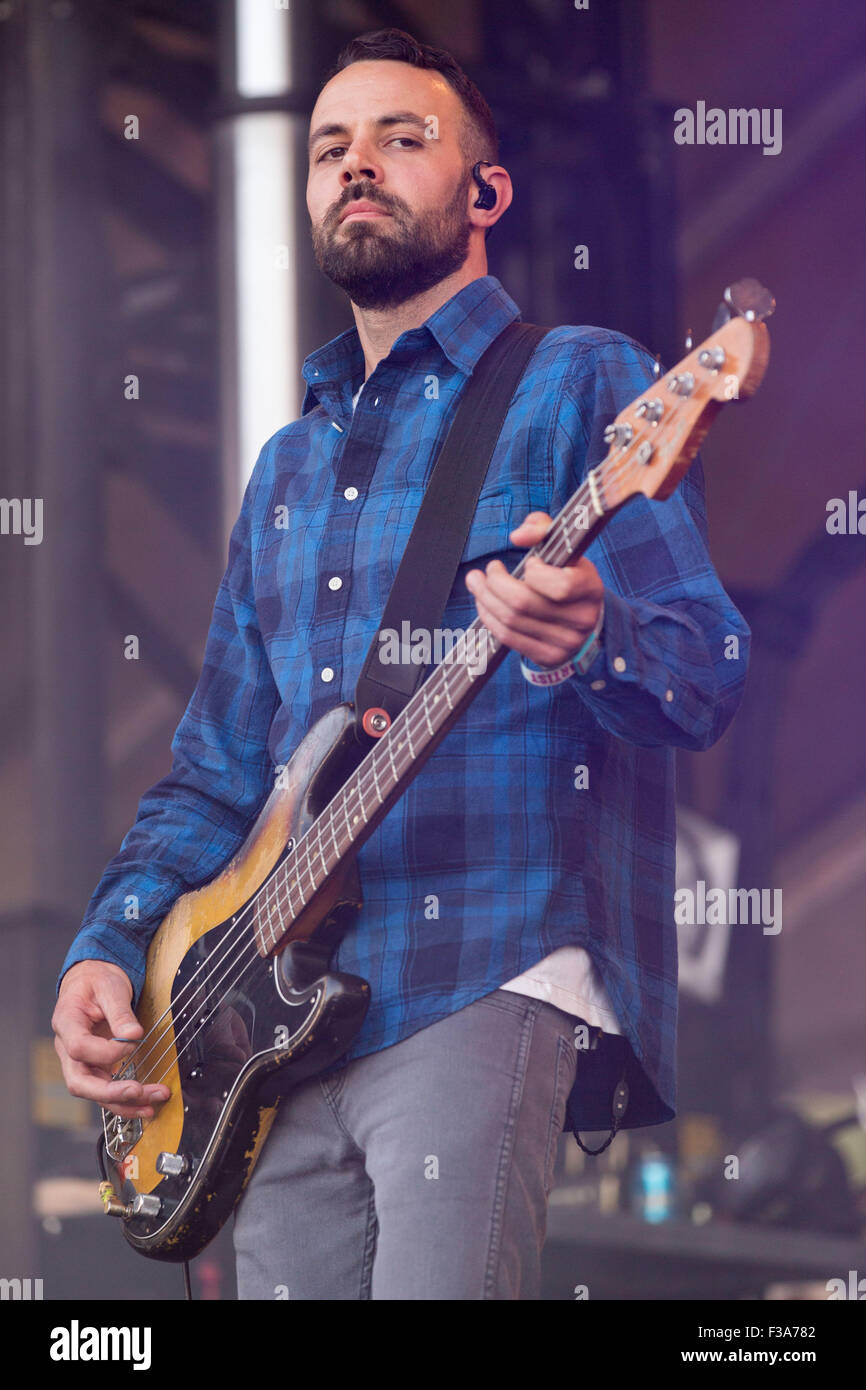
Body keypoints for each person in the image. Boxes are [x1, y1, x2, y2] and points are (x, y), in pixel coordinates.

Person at [52, 28, 749, 1299]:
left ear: (486, 192)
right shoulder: (288, 465)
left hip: (479, 963)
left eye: (400, 137)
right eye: (329, 147)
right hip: (269, 1036)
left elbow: (703, 668)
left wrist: (590, 633)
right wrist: (107, 945)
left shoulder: (578, 378)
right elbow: (214, 774)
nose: (355, 164)